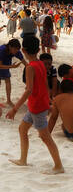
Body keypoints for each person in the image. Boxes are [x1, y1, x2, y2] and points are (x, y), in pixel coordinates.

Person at [5, 35, 64, 173]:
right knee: (22, 129)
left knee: (45, 137)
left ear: (23, 51)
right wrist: (48, 101)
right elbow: (44, 84)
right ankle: (23, 160)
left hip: (37, 107)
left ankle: (58, 166)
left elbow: (29, 89)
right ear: (38, 49)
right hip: (37, 105)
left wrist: (15, 108)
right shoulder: (41, 64)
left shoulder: (31, 67)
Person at [1, 38, 25, 108]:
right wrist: (12, 66)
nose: (16, 51)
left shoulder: (16, 50)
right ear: (10, 47)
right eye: (15, 49)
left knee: (7, 80)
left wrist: (28, 66)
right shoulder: (2, 50)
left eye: (18, 49)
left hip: (6, 64)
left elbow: (23, 60)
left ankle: (8, 100)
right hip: (2, 64)